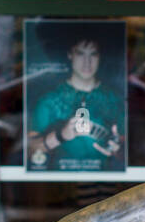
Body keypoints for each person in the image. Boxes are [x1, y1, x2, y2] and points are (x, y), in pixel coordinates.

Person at [26, 36, 124, 171]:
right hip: (60, 185)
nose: (87, 62)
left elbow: (132, 155)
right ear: (69, 55)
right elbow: (29, 150)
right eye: (80, 53)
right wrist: (60, 135)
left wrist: (117, 149)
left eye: (93, 54)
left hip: (108, 183)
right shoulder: (48, 101)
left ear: (100, 57)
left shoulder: (115, 100)